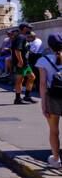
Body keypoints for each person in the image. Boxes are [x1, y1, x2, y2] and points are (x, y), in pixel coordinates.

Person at [34, 34, 62, 168]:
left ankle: (56, 159)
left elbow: (43, 84)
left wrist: (43, 105)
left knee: (54, 130)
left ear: (49, 45)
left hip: (53, 98)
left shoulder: (43, 60)